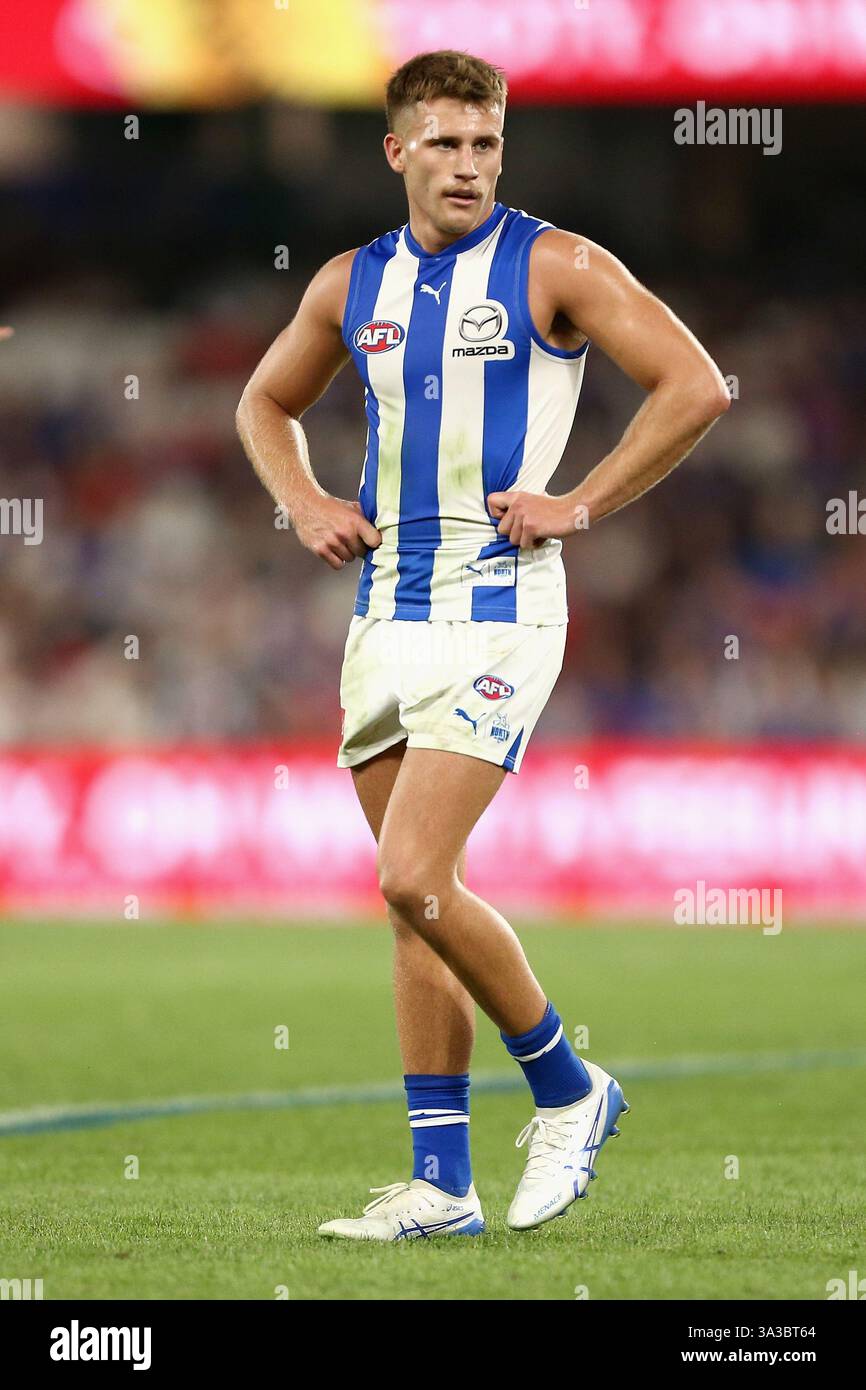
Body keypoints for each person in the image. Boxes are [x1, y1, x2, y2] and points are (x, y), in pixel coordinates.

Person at [236, 49, 730, 1240]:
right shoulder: (351, 284)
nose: (468, 165)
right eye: (445, 143)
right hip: (381, 615)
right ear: (396, 151)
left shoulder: (554, 263)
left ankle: (568, 1088)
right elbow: (262, 403)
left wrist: (580, 501)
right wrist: (300, 503)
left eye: (486, 143)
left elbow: (695, 384)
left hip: (502, 609)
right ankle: (441, 1183)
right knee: (419, 906)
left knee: (409, 872)